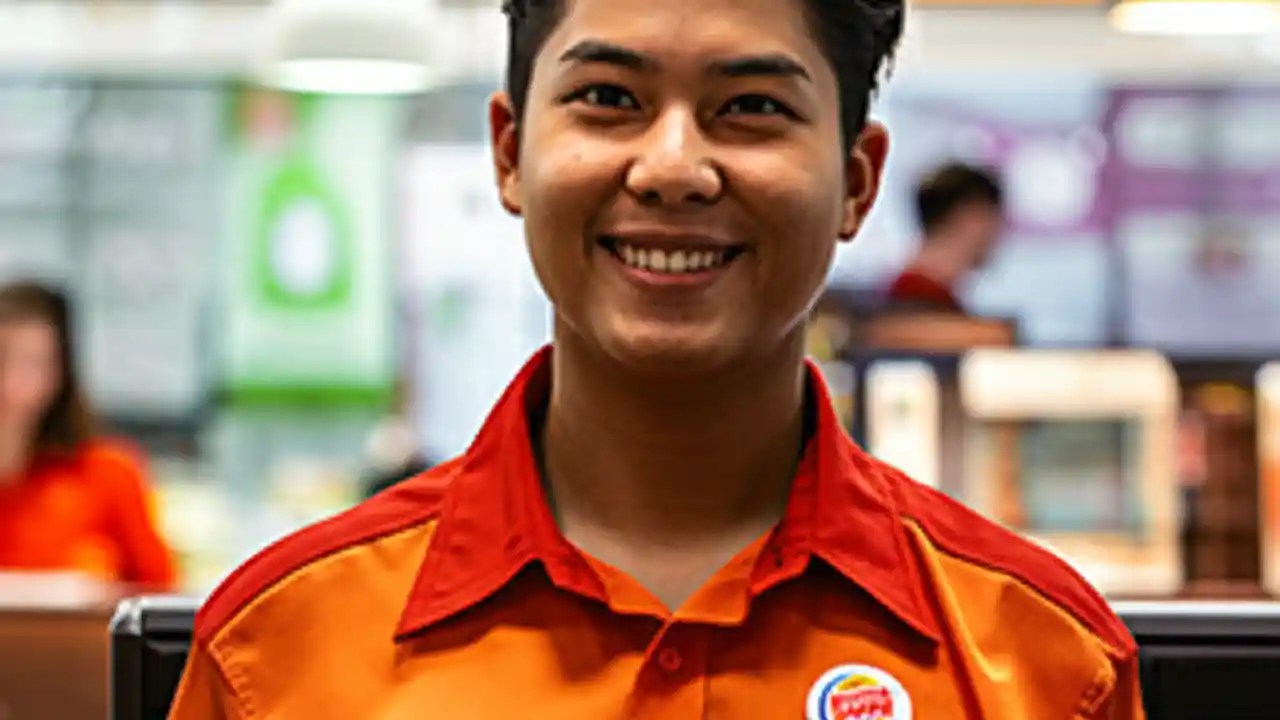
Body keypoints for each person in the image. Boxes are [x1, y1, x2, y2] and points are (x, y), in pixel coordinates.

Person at [170, 0, 1142, 717]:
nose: (673, 167)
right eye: (607, 98)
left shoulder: (1044, 663)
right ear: (509, 153)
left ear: (856, 181)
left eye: (750, 106)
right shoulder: (278, 652)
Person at [0, 282, 175, 590]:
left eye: (33, 364)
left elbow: (161, 591)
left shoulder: (107, 474)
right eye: (2, 360)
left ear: (60, 374)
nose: (11, 384)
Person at [885, 162, 1004, 314]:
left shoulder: (918, 296)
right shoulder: (920, 300)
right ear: (970, 218)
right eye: (993, 218)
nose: (997, 233)